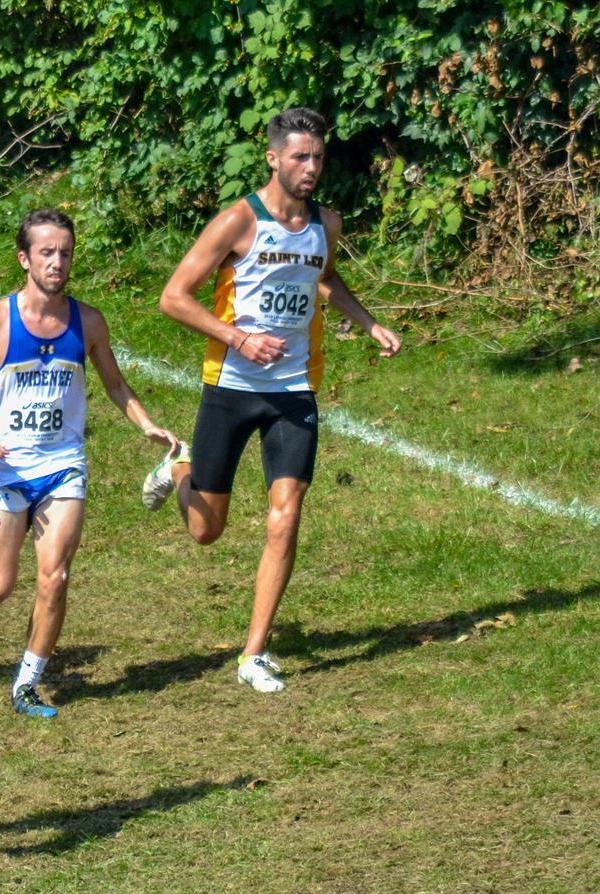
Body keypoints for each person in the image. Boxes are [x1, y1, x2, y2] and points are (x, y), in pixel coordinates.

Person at [151, 106, 402, 693]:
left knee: (285, 517)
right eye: (299, 157)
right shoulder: (237, 222)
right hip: (231, 388)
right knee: (206, 531)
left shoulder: (326, 224)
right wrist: (237, 336)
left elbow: (325, 277)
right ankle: (179, 465)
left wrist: (368, 324)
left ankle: (253, 653)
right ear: (273, 158)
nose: (311, 168)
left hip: (294, 390)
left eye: (317, 157)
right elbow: (173, 297)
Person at [0, 209, 177, 719]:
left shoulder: (88, 322)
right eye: (46, 253)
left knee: (56, 577)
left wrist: (146, 424)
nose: (57, 262)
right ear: (24, 258)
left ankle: (27, 684)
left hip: (63, 465)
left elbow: (115, 384)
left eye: (65, 253)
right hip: (6, 471)